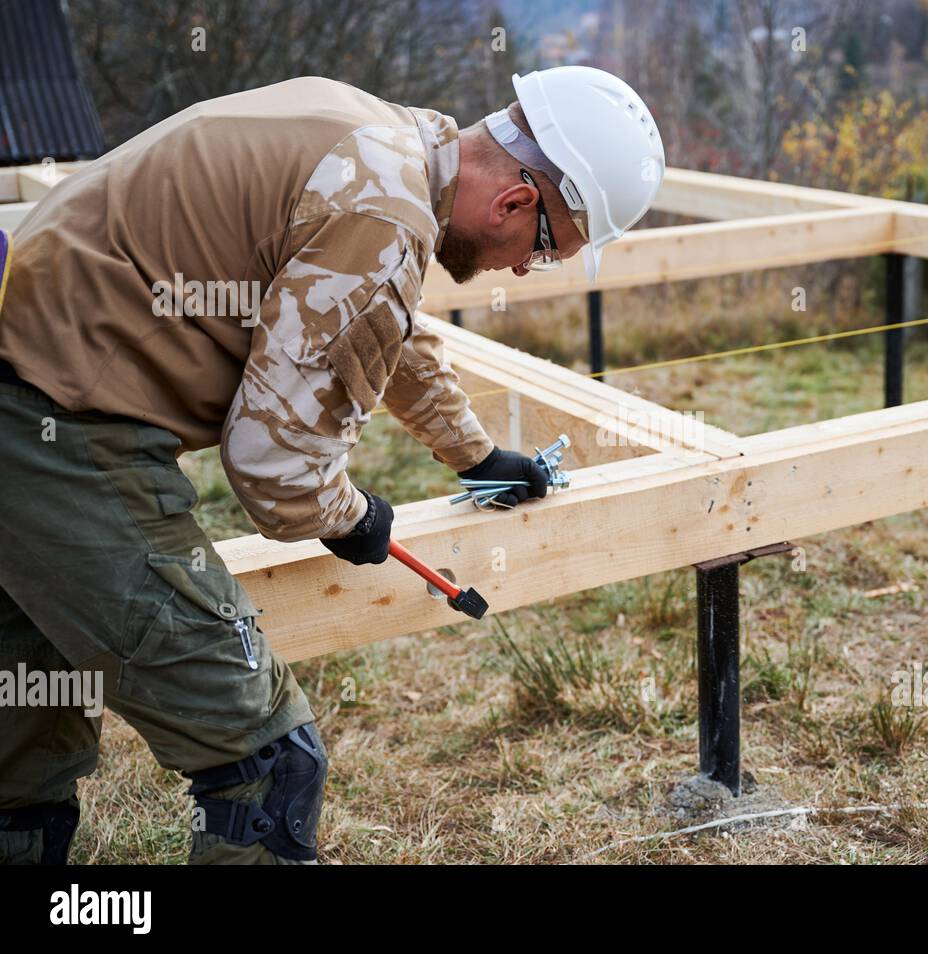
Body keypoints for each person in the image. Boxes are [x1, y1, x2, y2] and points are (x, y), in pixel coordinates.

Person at [0, 67, 664, 864]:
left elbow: (381, 323)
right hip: (58, 429)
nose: (526, 268)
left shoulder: (380, 141)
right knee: (267, 762)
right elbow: (275, 472)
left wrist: (478, 456)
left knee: (26, 734)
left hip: (27, 391)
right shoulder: (383, 208)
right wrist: (357, 517)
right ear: (516, 203)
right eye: (547, 249)